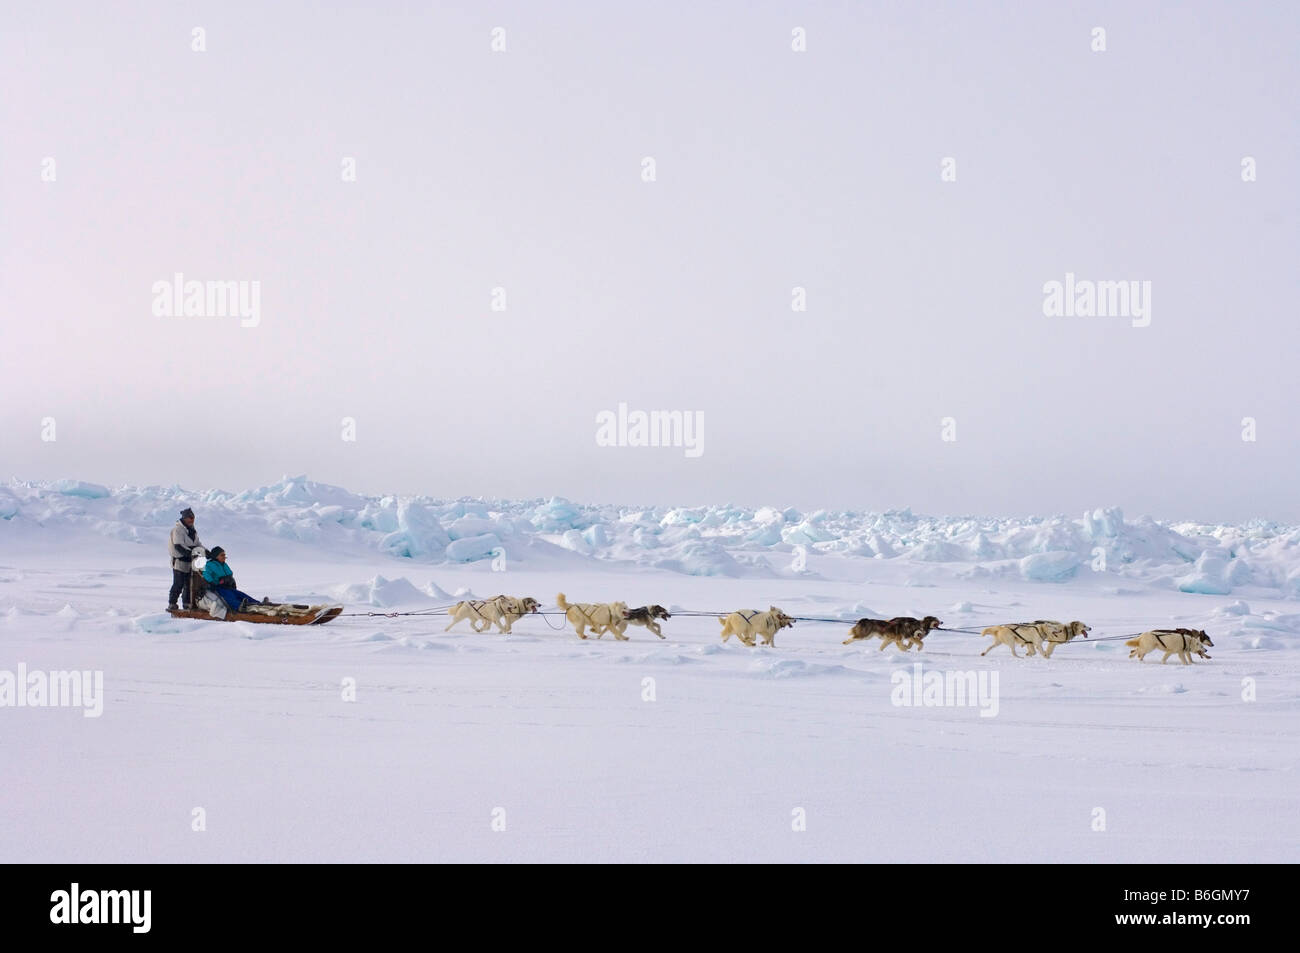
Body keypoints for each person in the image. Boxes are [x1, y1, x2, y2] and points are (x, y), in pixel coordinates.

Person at [201, 547, 267, 613]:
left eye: (224, 555)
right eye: (222, 555)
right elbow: (206, 574)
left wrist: (231, 580)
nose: (224, 557)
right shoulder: (209, 565)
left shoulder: (224, 564)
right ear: (216, 556)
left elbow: (230, 573)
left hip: (228, 586)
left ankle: (258, 604)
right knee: (229, 597)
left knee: (240, 594)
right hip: (219, 587)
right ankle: (239, 607)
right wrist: (212, 582)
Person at [167, 507, 205, 610]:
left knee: (189, 584)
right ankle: (172, 603)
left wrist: (206, 552)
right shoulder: (178, 530)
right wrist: (192, 553)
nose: (192, 520)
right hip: (179, 562)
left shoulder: (192, 530)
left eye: (193, 518)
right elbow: (178, 546)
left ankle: (187, 603)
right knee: (178, 584)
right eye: (190, 518)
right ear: (184, 518)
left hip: (190, 563)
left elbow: (197, 544)